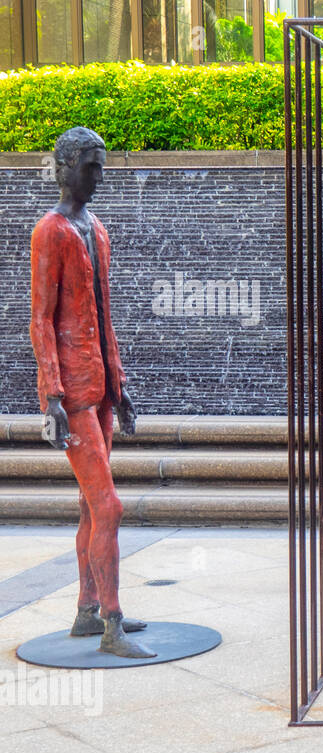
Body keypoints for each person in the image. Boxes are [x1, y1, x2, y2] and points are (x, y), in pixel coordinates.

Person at [30, 126, 152, 659]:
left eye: (101, 167)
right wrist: (51, 395)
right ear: (65, 168)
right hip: (74, 394)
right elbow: (39, 320)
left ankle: (86, 608)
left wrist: (119, 387)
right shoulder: (49, 232)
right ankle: (112, 623)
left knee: (89, 508)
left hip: (100, 388)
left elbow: (104, 315)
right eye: (90, 168)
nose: (98, 177)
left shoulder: (96, 229)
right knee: (109, 507)